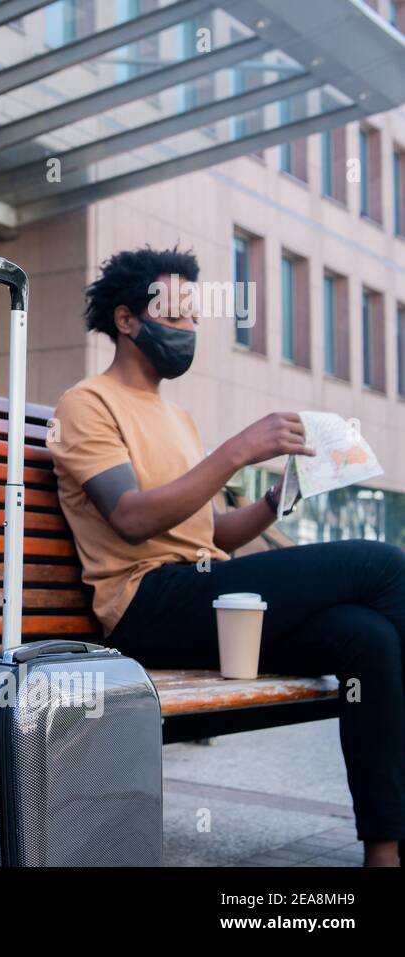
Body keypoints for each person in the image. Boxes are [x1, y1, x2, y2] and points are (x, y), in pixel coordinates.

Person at [47, 246, 404, 866]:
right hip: (147, 604)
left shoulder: (177, 417)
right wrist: (237, 450)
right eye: (174, 313)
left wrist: (273, 499)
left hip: (208, 593)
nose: (187, 327)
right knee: (380, 564)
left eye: (193, 316)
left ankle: (385, 851)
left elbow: (212, 532)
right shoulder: (87, 404)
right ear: (128, 320)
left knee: (366, 636)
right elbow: (131, 519)